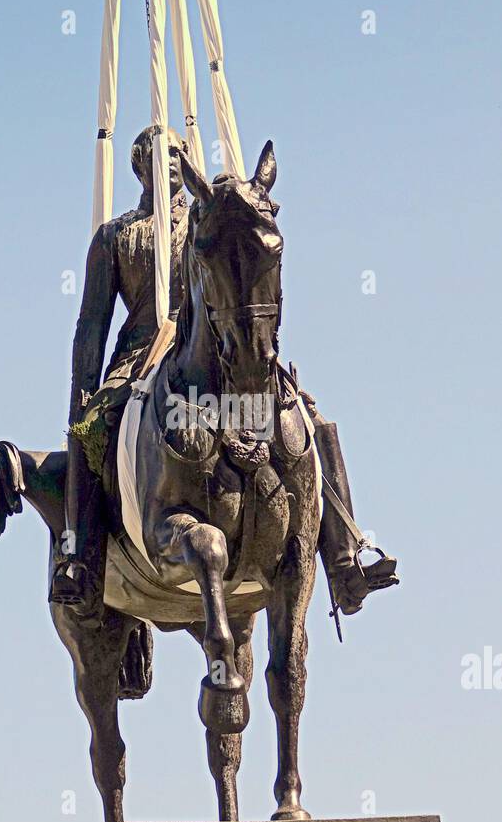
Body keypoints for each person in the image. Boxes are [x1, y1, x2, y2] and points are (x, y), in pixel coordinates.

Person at [50, 125, 399, 618]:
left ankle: (345, 559)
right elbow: (91, 326)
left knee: (307, 416)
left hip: (215, 345)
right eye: (157, 152)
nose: (169, 159)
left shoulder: (204, 219)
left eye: (176, 151)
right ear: (137, 165)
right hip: (139, 355)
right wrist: (82, 394)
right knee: (90, 435)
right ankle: (81, 562)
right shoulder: (114, 236)